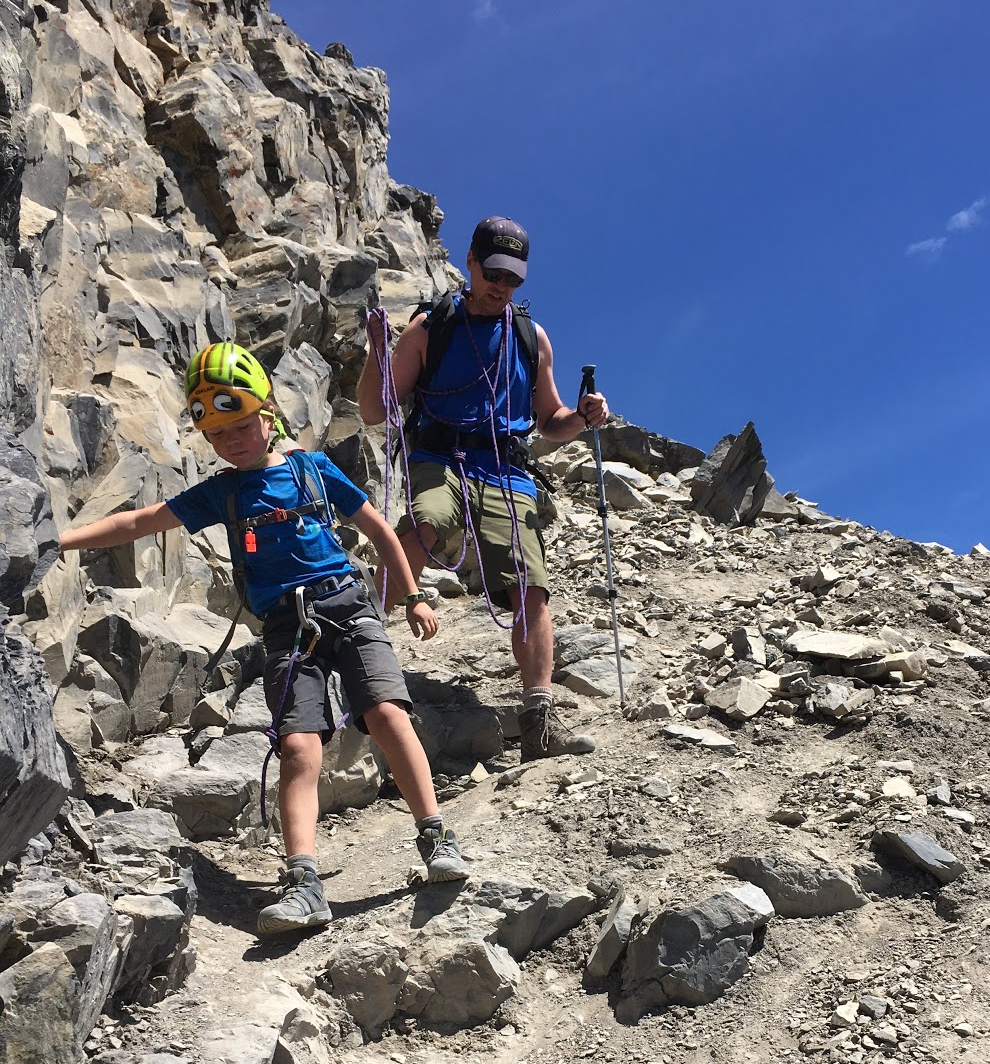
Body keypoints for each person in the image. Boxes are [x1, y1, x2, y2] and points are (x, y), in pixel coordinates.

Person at [58, 341, 469, 937]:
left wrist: (412, 595)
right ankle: (303, 884)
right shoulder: (220, 492)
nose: (232, 440)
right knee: (299, 747)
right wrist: (60, 540)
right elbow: (137, 522)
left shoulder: (312, 466)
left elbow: (378, 529)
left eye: (242, 424)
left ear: (267, 416)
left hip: (348, 605)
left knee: (385, 713)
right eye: (219, 434)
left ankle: (436, 837)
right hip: (286, 628)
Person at [357, 215, 610, 761]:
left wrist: (585, 418)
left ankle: (538, 719)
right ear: (470, 261)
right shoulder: (431, 328)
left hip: (506, 468)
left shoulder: (529, 337)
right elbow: (377, 410)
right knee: (427, 522)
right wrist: (379, 352)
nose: (501, 285)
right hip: (440, 456)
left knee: (530, 584)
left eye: (513, 278)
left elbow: (551, 420)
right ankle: (357, 638)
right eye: (493, 271)